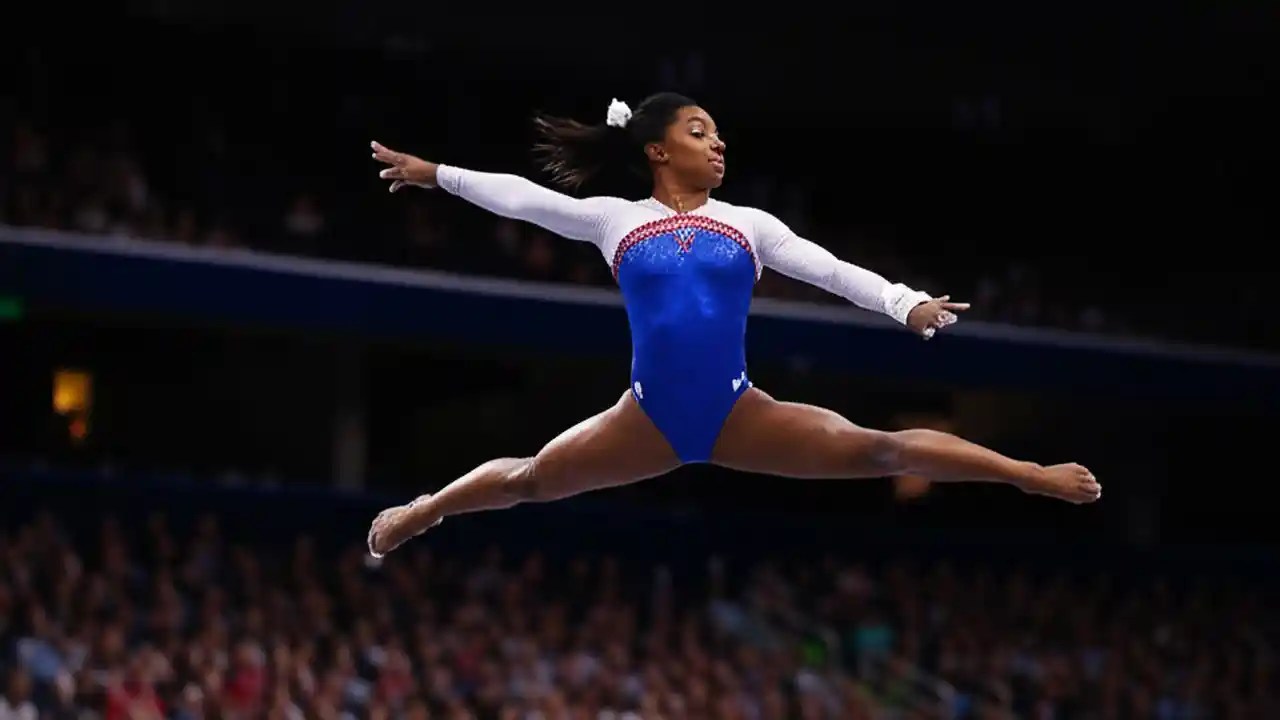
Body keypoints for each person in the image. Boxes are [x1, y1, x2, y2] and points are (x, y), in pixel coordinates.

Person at [365, 92, 1100, 556]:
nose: (718, 144)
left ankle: (1026, 476)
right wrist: (437, 174)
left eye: (719, 135)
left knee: (881, 451)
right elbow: (523, 199)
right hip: (644, 418)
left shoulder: (749, 225)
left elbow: (830, 269)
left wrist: (905, 302)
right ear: (658, 150)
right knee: (527, 480)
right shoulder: (615, 222)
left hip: (739, 411)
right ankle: (426, 511)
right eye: (699, 131)